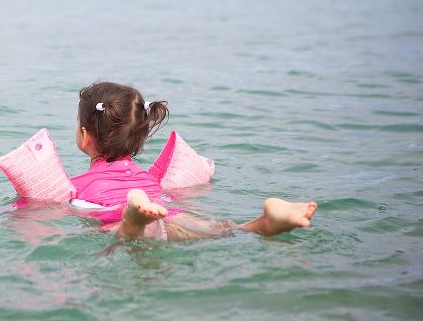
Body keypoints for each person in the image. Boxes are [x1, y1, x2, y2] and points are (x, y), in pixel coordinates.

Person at [71, 81, 317, 240]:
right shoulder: (148, 180)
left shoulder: (79, 185)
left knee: (120, 234)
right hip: (163, 207)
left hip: (123, 212)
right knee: (218, 230)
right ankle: (265, 223)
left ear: (85, 135)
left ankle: (132, 221)